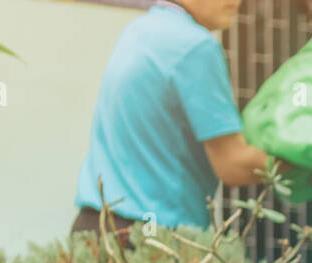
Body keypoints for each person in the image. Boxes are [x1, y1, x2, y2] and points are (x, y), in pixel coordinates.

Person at [72, 0, 270, 239]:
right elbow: (233, 166)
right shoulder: (195, 46)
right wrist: (311, 158)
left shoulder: (139, 30)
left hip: (93, 228)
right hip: (149, 239)